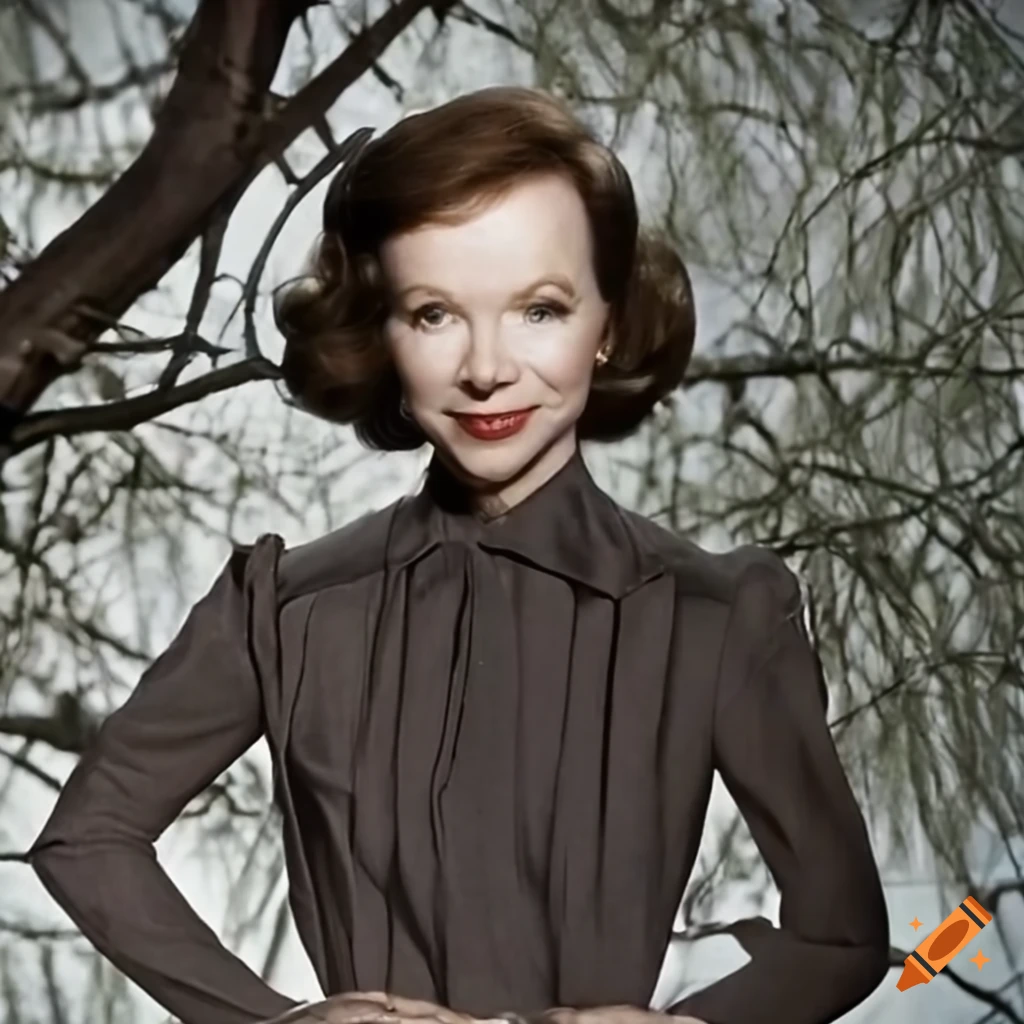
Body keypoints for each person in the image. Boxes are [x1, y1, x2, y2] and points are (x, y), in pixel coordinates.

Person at [28, 87, 890, 1024]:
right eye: (435, 313)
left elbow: (840, 935)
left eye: (540, 309)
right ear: (382, 330)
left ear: (608, 321)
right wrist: (267, 1021)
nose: (486, 368)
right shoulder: (280, 608)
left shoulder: (715, 618)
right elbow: (88, 839)